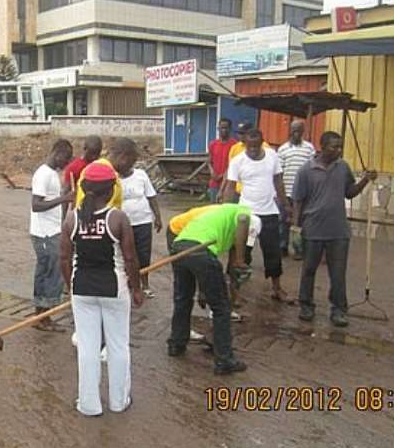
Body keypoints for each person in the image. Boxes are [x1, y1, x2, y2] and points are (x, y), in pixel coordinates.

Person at [60, 162, 143, 416]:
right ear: (110, 191)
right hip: (114, 288)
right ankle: (119, 402)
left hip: (82, 289)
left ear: (84, 189)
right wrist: (137, 288)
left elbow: (64, 258)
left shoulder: (71, 218)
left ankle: (89, 405)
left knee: (88, 347)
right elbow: (130, 258)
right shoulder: (117, 218)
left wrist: (69, 287)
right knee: (118, 346)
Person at [293, 131, 376, 327]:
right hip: (312, 229)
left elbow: (349, 193)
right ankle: (306, 305)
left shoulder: (343, 167)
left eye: (340, 147)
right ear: (322, 146)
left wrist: (365, 180)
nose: (338, 150)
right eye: (334, 147)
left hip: (338, 230)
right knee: (308, 270)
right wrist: (295, 227)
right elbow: (298, 200)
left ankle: (338, 310)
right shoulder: (306, 170)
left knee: (338, 273)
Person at [169, 204, 260, 374]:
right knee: (221, 308)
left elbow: (228, 265)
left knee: (183, 298)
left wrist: (234, 271)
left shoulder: (222, 218)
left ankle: (176, 344)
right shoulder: (243, 213)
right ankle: (224, 360)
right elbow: (242, 221)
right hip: (200, 250)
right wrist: (241, 261)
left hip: (180, 246)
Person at [224, 129, 290, 303]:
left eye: (256, 145)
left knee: (273, 253)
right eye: (249, 145)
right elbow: (230, 187)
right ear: (244, 143)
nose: (252, 149)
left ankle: (276, 288)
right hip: (246, 216)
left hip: (269, 213)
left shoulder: (272, 156)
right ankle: (235, 292)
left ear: (262, 142)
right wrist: (225, 210)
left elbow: (278, 181)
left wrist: (285, 205)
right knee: (241, 254)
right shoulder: (237, 161)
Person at [30, 139, 74, 330]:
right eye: (67, 157)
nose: (68, 162)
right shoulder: (44, 174)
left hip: (50, 230)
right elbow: (36, 205)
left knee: (45, 273)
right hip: (45, 234)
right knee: (50, 274)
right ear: (57, 153)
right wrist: (64, 198)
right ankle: (43, 318)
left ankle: (41, 316)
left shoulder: (51, 174)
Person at [110, 138, 162, 298]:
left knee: (143, 254)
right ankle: (128, 283)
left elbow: (151, 196)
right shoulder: (112, 177)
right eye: (130, 160)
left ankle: (144, 284)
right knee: (125, 254)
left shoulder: (141, 175)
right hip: (123, 225)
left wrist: (157, 217)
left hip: (143, 221)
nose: (132, 164)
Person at [277, 120, 315, 259]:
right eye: (294, 130)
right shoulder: (282, 149)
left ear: (303, 131)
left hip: (304, 193)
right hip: (286, 192)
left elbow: (312, 170)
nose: (296, 133)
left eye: (299, 130)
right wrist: (279, 193)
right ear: (290, 131)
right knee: (283, 220)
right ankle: (283, 246)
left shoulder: (309, 148)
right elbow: (279, 173)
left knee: (301, 221)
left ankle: (299, 249)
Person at [218, 123, 271, 202]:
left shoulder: (264, 147)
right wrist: (222, 190)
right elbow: (229, 171)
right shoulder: (234, 148)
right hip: (237, 192)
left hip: (256, 193)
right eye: (239, 133)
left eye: (242, 133)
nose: (240, 136)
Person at [207, 118, 237, 203]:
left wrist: (222, 175)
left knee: (226, 209)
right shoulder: (213, 144)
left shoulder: (234, 145)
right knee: (214, 208)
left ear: (230, 129)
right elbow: (209, 161)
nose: (224, 130)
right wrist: (212, 172)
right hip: (214, 183)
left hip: (228, 183)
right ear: (218, 129)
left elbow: (234, 165)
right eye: (221, 128)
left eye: (226, 128)